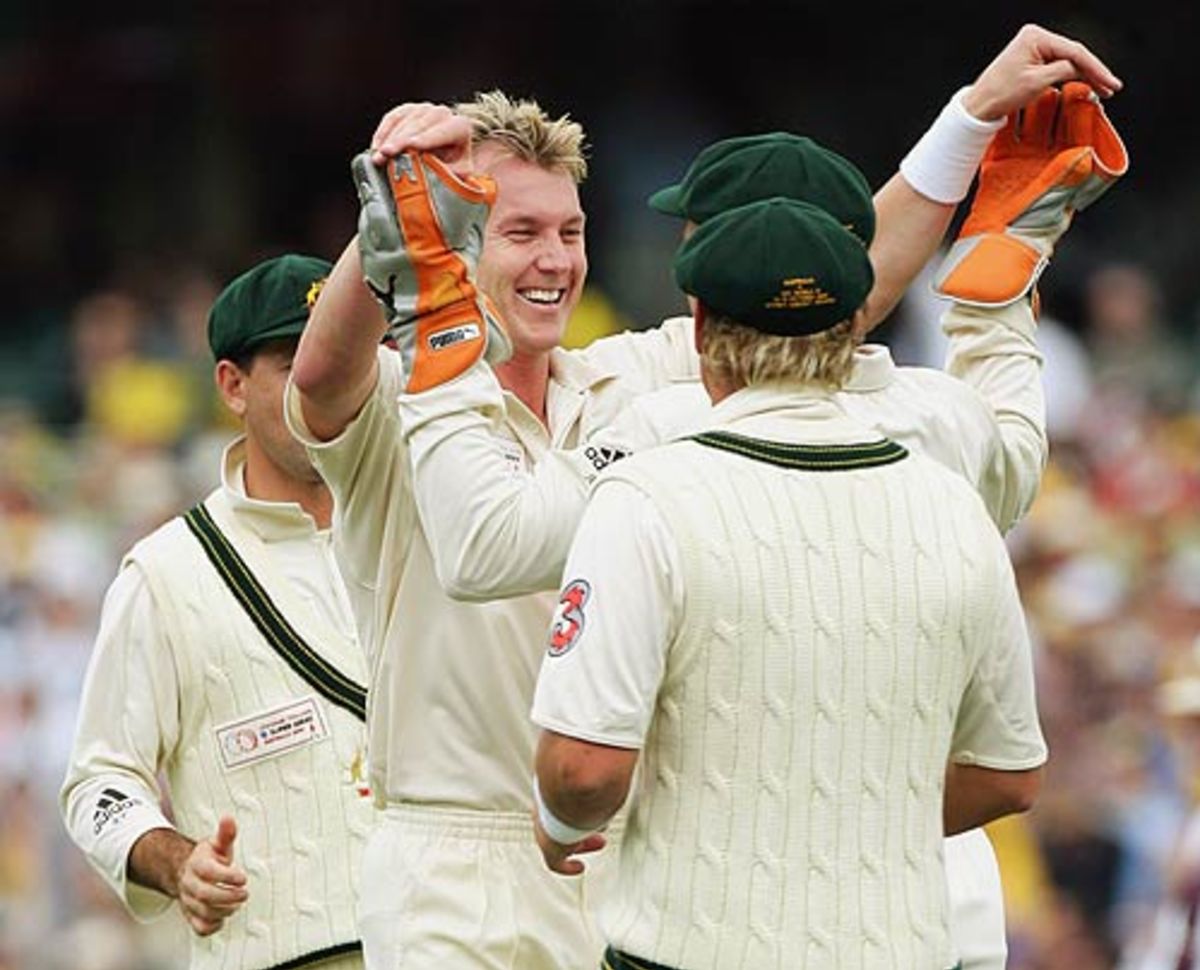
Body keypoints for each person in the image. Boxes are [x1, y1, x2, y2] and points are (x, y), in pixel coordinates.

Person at [288, 25, 1120, 970]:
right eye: (518, 233)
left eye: (570, 231)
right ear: (456, 239)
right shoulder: (406, 399)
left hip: (619, 837)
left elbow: (823, 291)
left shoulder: (638, 380)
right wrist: (386, 224)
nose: (553, 261)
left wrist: (968, 119)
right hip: (457, 855)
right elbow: (320, 377)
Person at [530, 195, 1048, 970]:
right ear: (849, 332)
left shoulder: (646, 495)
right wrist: (857, 817)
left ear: (701, 328)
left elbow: (581, 770)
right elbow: (1008, 775)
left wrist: (560, 825)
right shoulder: (952, 504)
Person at [60, 254, 373, 970]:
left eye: (345, 357)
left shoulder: (435, 527)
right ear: (232, 386)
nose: (326, 385)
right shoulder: (167, 571)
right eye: (296, 364)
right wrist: (177, 863)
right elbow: (99, 785)